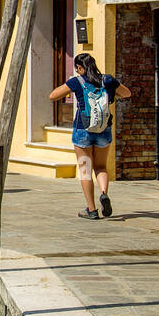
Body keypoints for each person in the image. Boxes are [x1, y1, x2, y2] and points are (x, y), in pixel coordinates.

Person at [49, 53, 131, 220]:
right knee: (101, 167)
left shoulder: (77, 81)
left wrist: (72, 89)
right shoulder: (107, 80)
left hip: (82, 131)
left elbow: (53, 95)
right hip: (103, 130)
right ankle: (103, 193)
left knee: (85, 171)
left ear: (80, 68)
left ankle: (92, 209)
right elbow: (127, 93)